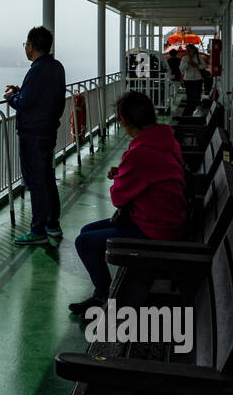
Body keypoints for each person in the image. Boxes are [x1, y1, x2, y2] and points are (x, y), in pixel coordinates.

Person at [69, 90, 186, 316]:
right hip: (168, 218)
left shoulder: (140, 152)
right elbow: (154, 175)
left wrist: (120, 178)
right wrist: (124, 173)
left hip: (155, 229)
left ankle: (107, 302)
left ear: (124, 120)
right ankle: (99, 295)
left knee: (84, 242)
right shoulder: (166, 138)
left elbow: (118, 198)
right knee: (87, 230)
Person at [3, 26, 66, 245]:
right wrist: (21, 91)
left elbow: (25, 103)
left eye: (26, 44)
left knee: (36, 182)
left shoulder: (36, 70)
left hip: (33, 135)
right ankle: (52, 224)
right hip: (48, 131)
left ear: (31, 46)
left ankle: (37, 230)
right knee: (47, 178)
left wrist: (11, 96)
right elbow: (45, 97)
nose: (26, 48)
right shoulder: (56, 67)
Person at [180, 43, 205, 113]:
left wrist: (196, 65)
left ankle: (197, 109)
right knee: (189, 96)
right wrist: (188, 63)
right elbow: (182, 69)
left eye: (189, 50)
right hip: (188, 79)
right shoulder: (184, 58)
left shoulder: (199, 57)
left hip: (198, 79)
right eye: (186, 50)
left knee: (197, 95)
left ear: (193, 50)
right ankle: (190, 110)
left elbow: (203, 66)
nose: (187, 51)